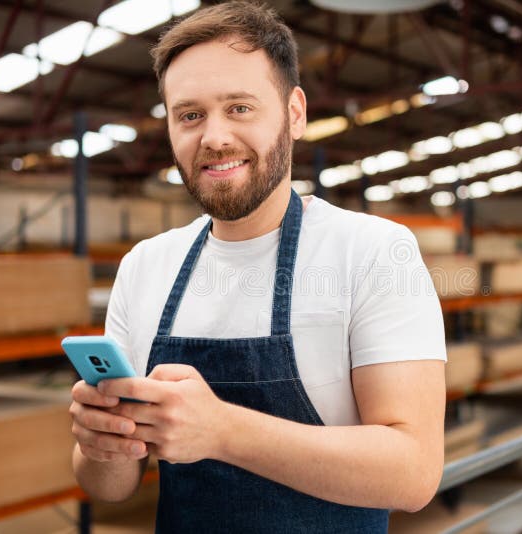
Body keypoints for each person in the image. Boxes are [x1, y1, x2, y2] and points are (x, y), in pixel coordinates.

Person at [68, 2, 447, 532]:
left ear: (294, 112)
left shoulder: (375, 252)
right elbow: (110, 487)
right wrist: (100, 444)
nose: (214, 137)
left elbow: (414, 472)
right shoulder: (145, 267)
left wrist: (222, 431)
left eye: (240, 107)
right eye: (190, 114)